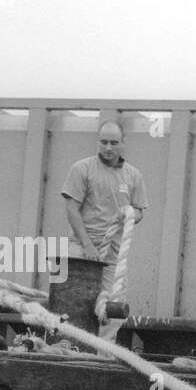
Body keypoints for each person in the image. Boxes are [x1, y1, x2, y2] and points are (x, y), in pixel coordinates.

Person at [61, 120, 149, 341]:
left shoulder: (133, 176)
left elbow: (139, 212)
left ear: (123, 143)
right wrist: (88, 245)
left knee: (113, 307)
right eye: (103, 142)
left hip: (113, 254)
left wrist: (128, 213)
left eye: (114, 142)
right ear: (97, 142)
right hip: (81, 249)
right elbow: (72, 208)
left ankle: (102, 353)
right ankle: (67, 349)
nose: (108, 148)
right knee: (70, 304)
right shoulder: (82, 169)